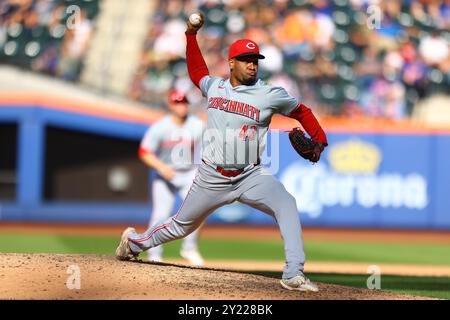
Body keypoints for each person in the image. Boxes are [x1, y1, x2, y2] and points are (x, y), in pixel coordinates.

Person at [116, 13, 328, 292]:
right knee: (180, 226)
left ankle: (293, 273)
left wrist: (320, 140)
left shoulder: (269, 94)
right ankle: (133, 243)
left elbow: (302, 111)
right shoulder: (215, 87)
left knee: (286, 204)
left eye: (255, 61)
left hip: (251, 175)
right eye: (246, 60)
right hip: (211, 176)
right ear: (231, 63)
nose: (252, 65)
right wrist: (190, 36)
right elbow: (196, 73)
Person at [138, 88, 204, 266]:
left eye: (183, 103)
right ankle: (154, 253)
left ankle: (189, 248)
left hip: (188, 172)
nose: (181, 106)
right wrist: (161, 167)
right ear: (170, 105)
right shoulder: (161, 127)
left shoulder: (196, 125)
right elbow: (144, 151)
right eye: (177, 103)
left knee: (198, 211)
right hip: (165, 174)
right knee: (160, 215)